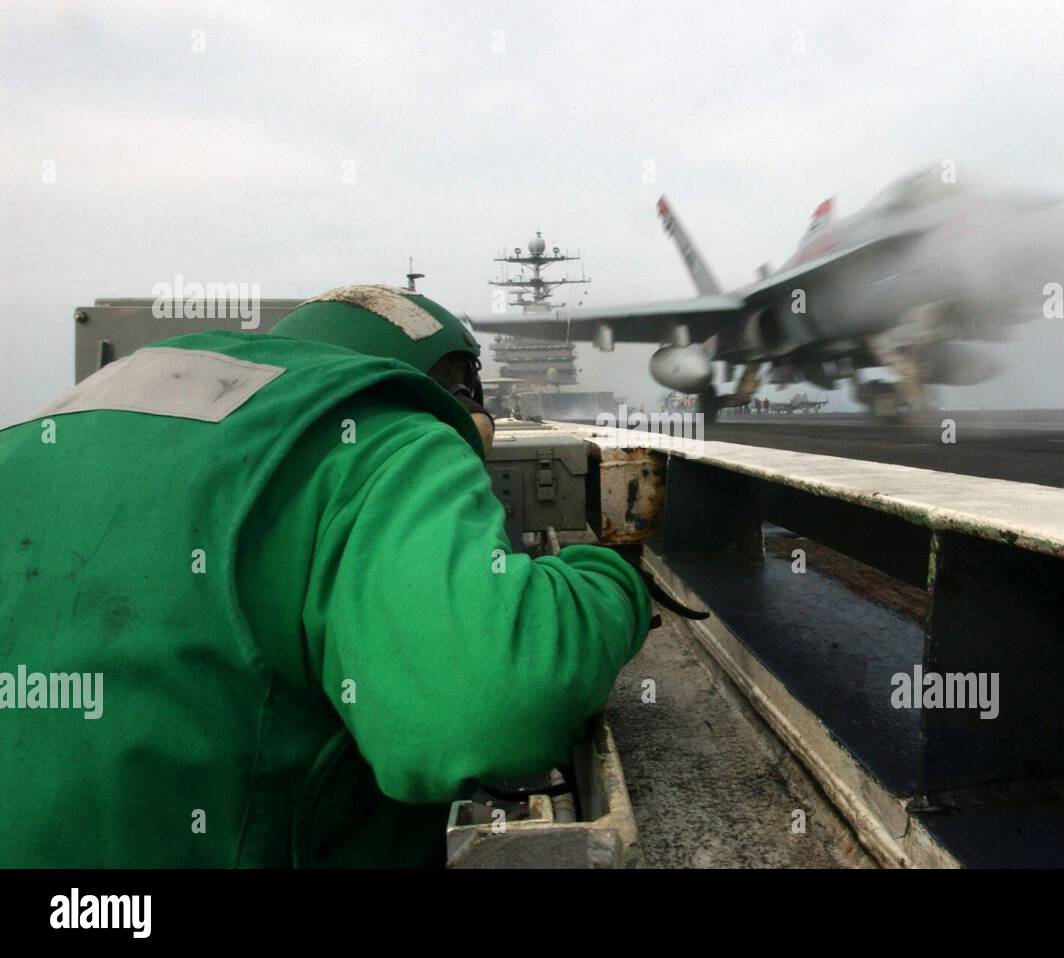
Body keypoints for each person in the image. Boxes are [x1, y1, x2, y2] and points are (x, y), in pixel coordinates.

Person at [0, 283, 652, 867]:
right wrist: (609, 579)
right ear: (455, 394)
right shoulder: (384, 434)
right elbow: (493, 704)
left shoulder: (34, 440)